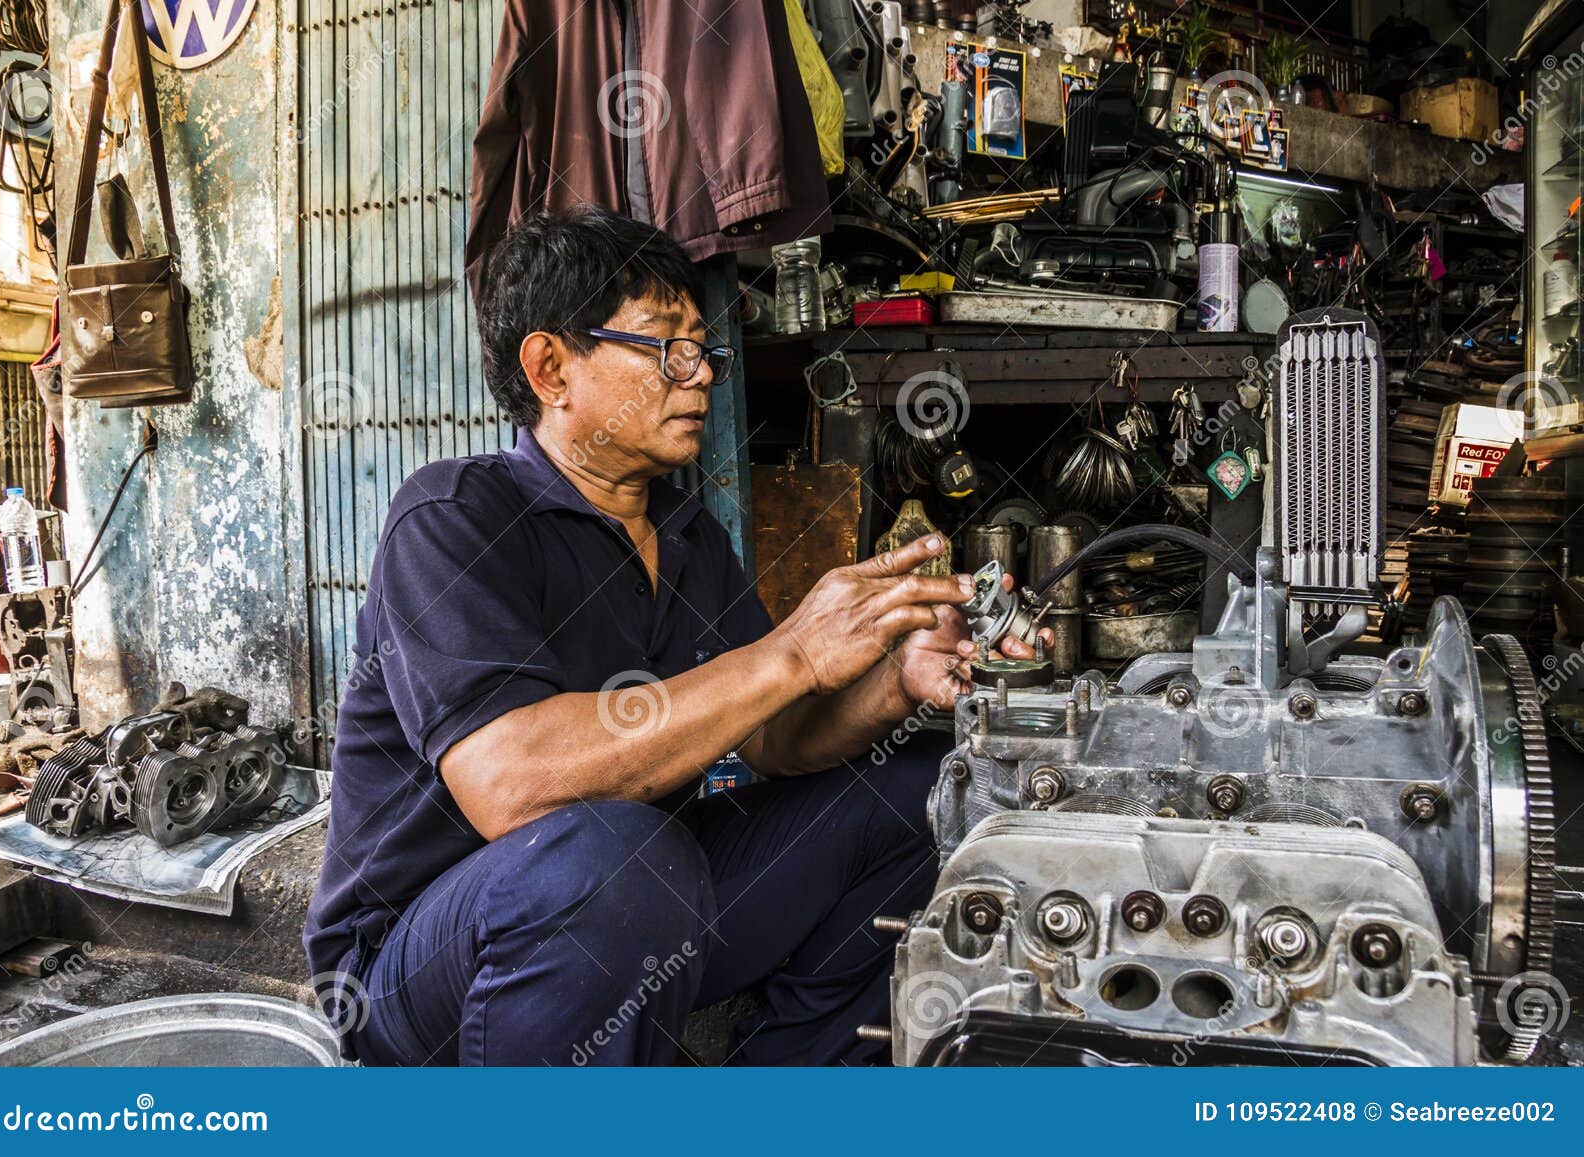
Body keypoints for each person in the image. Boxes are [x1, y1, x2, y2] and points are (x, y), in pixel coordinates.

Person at [304, 205, 1044, 1065]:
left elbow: (771, 736)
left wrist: (894, 686)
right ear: (550, 368)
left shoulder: (687, 536)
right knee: (616, 856)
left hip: (640, 897)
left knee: (913, 790)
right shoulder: (454, 518)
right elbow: (508, 783)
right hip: (417, 957)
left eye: (703, 350)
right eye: (666, 348)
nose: (699, 376)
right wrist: (792, 652)